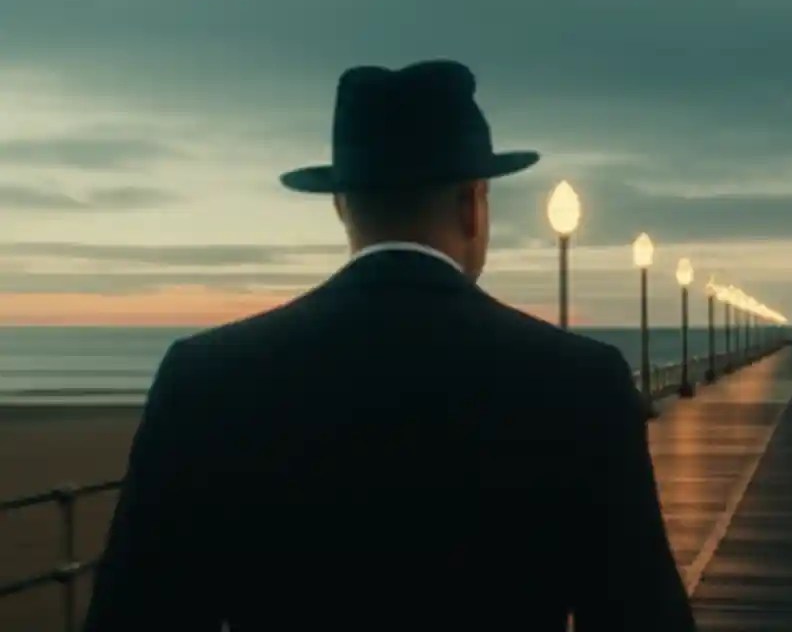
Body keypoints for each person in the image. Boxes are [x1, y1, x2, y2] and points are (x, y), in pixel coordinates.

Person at [84, 60, 696, 631]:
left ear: (341, 205)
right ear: (474, 204)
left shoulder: (204, 379)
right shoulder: (581, 382)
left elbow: (133, 614)